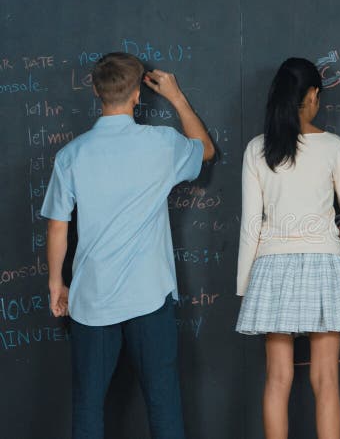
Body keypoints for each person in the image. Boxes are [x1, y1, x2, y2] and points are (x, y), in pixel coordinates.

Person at [42, 52, 215, 439]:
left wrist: (56, 282)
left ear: (94, 91)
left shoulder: (71, 155)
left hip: (92, 298)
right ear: (138, 94)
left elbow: (57, 226)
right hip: (148, 296)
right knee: (163, 402)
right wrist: (177, 97)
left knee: (88, 404)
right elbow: (205, 150)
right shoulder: (161, 144)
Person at [236, 57, 340, 439]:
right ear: (312, 95)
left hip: (272, 267)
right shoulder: (334, 146)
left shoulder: (258, 149)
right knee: (326, 379)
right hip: (324, 262)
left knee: (277, 379)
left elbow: (249, 224)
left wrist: (246, 288)